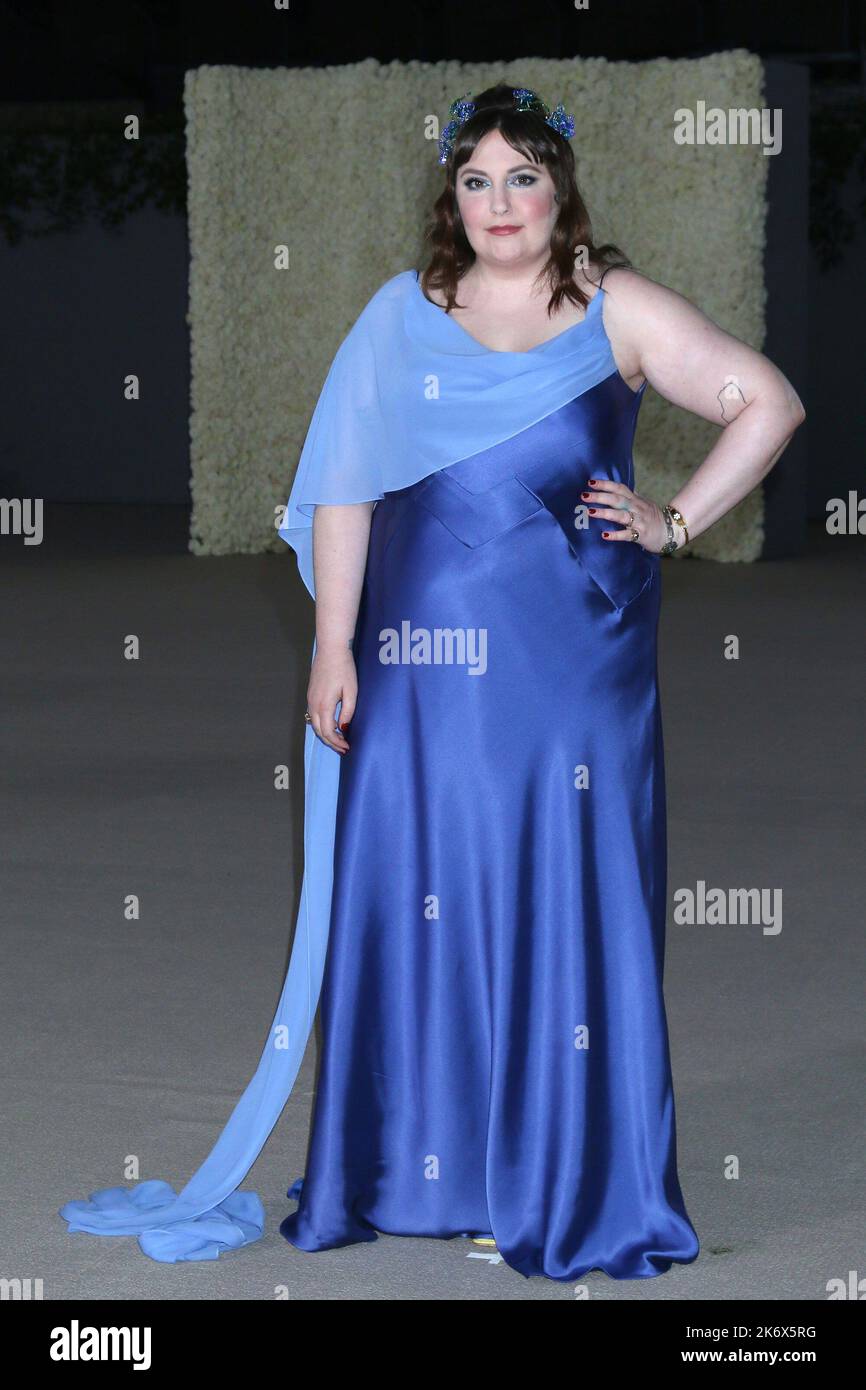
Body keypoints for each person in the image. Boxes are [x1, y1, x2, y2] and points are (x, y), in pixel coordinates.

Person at [61, 83, 805, 1281]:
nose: (499, 202)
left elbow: (764, 400)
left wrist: (672, 518)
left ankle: (568, 1180)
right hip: (416, 676)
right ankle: (429, 1167)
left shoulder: (616, 309)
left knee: (562, 893)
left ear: (558, 187)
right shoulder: (397, 318)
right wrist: (332, 645)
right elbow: (344, 491)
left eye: (522, 177)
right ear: (448, 196)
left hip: (572, 677)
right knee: (427, 889)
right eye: (475, 180)